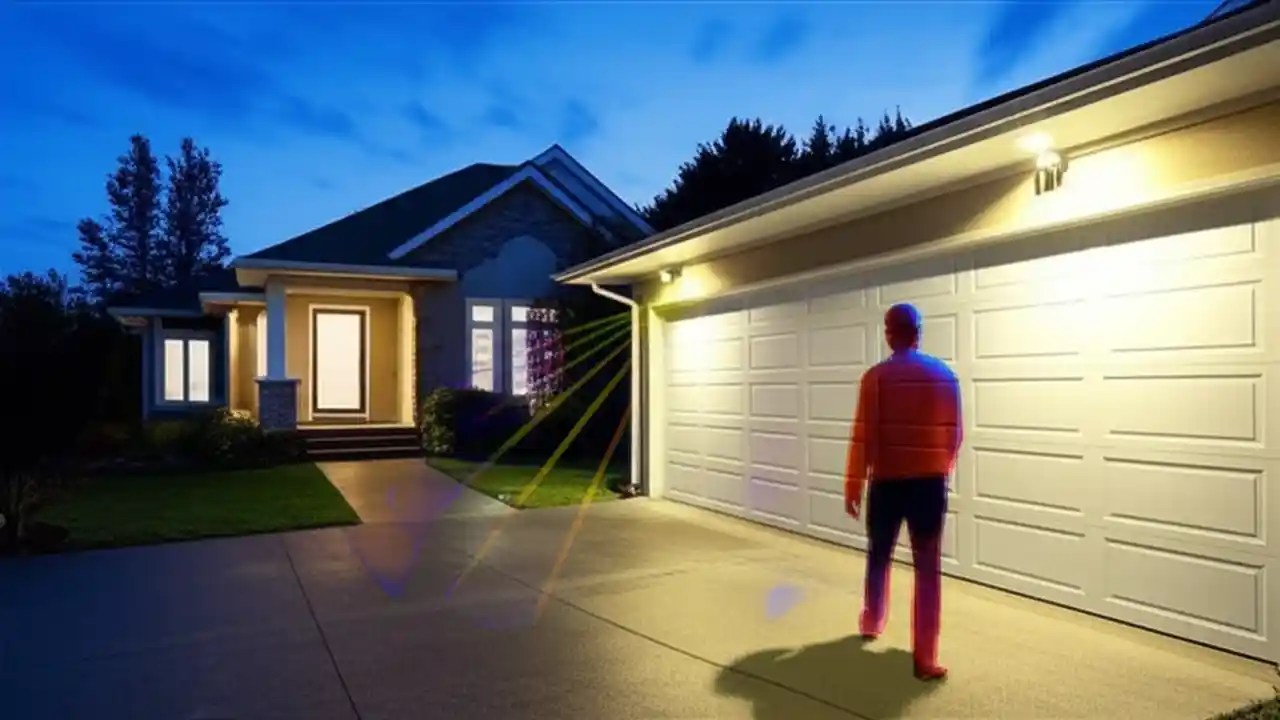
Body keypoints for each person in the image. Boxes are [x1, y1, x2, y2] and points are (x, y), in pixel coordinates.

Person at [844, 302, 963, 681]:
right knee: (928, 570)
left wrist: (853, 482)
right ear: (919, 332)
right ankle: (925, 658)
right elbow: (955, 432)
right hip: (928, 485)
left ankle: (872, 620)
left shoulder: (875, 378)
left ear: (889, 333)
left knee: (879, 556)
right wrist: (942, 467)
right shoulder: (944, 375)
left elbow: (863, 435)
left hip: (887, 482)